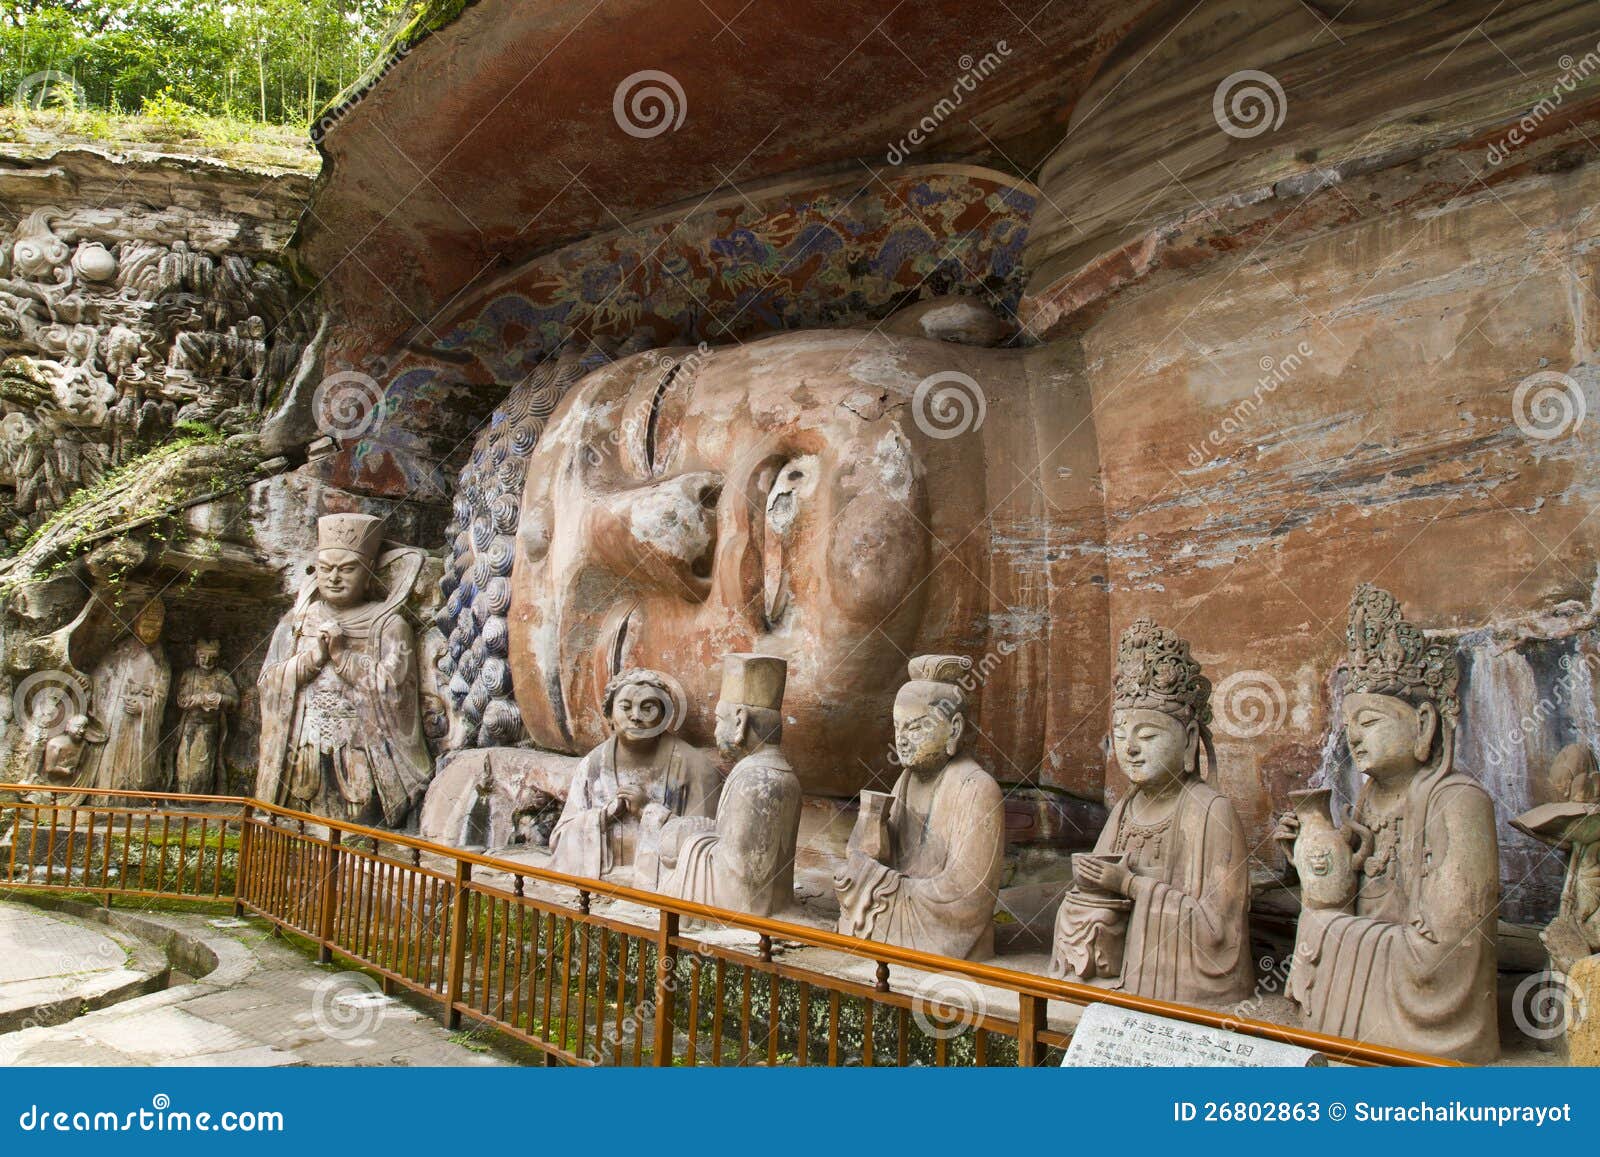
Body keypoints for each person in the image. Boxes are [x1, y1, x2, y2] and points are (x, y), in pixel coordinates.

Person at [1276, 584, 1499, 1063]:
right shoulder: (1369, 799)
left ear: (1423, 722)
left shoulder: (1458, 801)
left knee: (1326, 929)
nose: (1353, 737)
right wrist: (1311, 858)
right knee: (1317, 921)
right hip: (1382, 956)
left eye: (1371, 722)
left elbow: (1449, 944)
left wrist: (1338, 931)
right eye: (1349, 725)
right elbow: (1342, 895)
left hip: (1423, 982)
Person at [1049, 620, 1252, 1004]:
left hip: (1183, 976)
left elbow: (1220, 930)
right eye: (1122, 736)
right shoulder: (1126, 807)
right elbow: (1095, 895)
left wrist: (1130, 886)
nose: (1131, 749)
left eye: (1147, 736)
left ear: (1189, 738)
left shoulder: (1210, 811)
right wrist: (1092, 885)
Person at [256, 514, 433, 827]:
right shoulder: (296, 622)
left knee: (360, 821)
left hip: (360, 744)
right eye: (326, 569)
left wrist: (343, 657)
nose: (334, 578)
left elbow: (395, 688)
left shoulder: (388, 625)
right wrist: (312, 658)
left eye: (346, 569)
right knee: (301, 819)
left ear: (368, 575)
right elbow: (268, 681)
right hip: (305, 741)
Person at [835, 654, 1004, 960]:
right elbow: (888, 857)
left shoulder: (977, 788)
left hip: (940, 917)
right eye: (897, 727)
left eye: (916, 729)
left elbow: (969, 895)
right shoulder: (906, 780)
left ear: (953, 729)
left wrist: (881, 887)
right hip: (906, 899)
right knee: (849, 880)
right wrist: (871, 830)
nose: (901, 740)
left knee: (866, 896)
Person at [548, 668, 719, 887]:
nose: (636, 716)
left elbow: (705, 847)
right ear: (609, 715)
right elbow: (559, 839)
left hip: (663, 893)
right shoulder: (593, 765)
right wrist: (600, 818)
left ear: (664, 717)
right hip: (600, 886)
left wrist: (650, 811)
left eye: (648, 708)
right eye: (626, 707)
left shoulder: (695, 767)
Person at [659, 654, 800, 918]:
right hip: (764, 906)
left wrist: (686, 840)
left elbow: (738, 878)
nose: (714, 732)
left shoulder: (755, 781)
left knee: (659, 869)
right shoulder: (776, 772)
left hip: (743, 912)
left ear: (740, 721)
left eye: (718, 721)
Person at [174, 638, 239, 795]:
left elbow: (235, 701)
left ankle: (198, 799)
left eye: (211, 657)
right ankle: (182, 797)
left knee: (202, 766)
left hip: (209, 727)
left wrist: (220, 698)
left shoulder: (221, 676)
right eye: (203, 657)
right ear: (197, 657)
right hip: (189, 725)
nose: (207, 661)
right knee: (184, 762)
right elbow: (181, 699)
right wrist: (199, 699)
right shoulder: (189, 675)